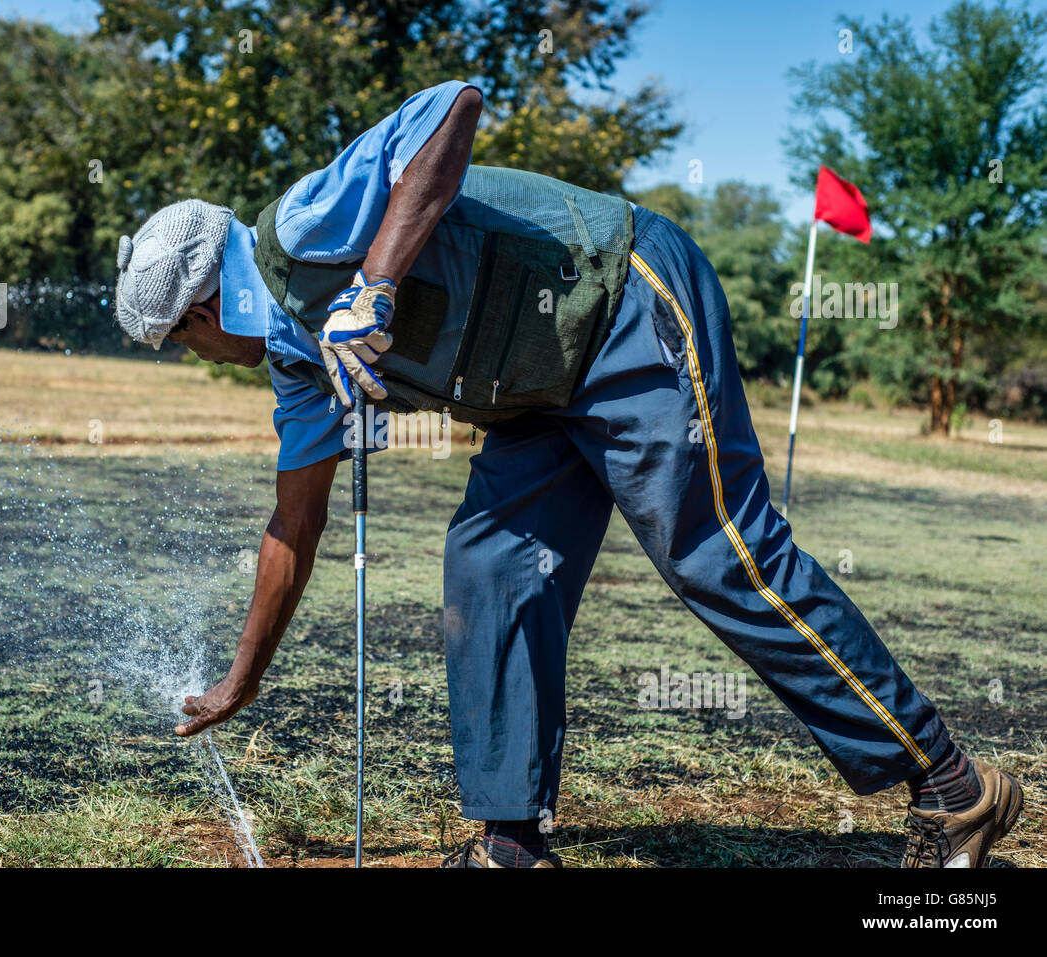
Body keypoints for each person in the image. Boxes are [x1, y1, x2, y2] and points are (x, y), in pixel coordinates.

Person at [113, 80, 1022, 868]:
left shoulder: (302, 227)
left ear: (200, 312)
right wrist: (242, 678)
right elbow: (294, 524)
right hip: (536, 400)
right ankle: (510, 839)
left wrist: (377, 283)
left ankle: (952, 782)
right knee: (489, 566)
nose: (202, 359)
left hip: (624, 303)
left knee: (717, 553)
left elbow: (450, 108)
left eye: (185, 346)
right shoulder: (298, 366)